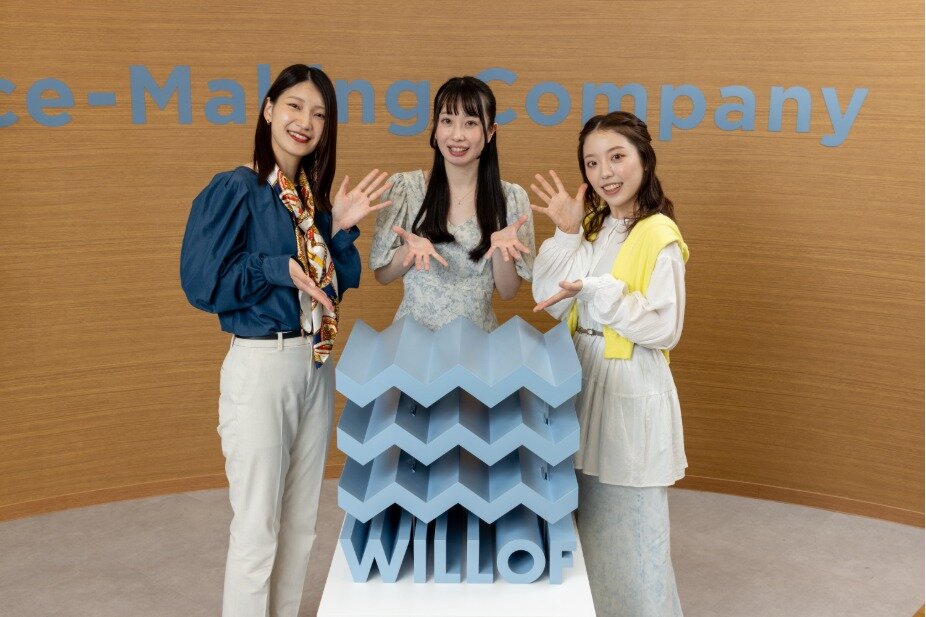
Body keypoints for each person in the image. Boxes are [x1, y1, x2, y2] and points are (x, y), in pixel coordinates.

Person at [179, 64, 391, 617]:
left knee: (300, 528)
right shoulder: (237, 188)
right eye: (295, 106)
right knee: (257, 531)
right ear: (269, 109)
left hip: (314, 365)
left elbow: (334, 284)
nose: (306, 122)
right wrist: (276, 267)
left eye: (319, 114)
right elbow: (201, 283)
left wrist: (337, 230)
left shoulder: (306, 200)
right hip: (262, 365)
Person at [531, 111, 689, 616]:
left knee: (634, 530)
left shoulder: (659, 234)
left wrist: (599, 289)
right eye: (593, 162)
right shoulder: (595, 227)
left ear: (644, 158)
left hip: (628, 386)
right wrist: (567, 234)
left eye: (617, 157)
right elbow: (550, 299)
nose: (605, 172)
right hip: (583, 375)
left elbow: (664, 328)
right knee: (587, 522)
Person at [369, 76, 534, 332]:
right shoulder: (404, 189)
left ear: (491, 131)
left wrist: (499, 249)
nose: (457, 135)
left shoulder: (510, 199)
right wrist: (408, 252)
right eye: (447, 121)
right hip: (413, 343)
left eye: (470, 123)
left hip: (477, 343)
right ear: (436, 127)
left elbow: (508, 291)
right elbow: (382, 275)